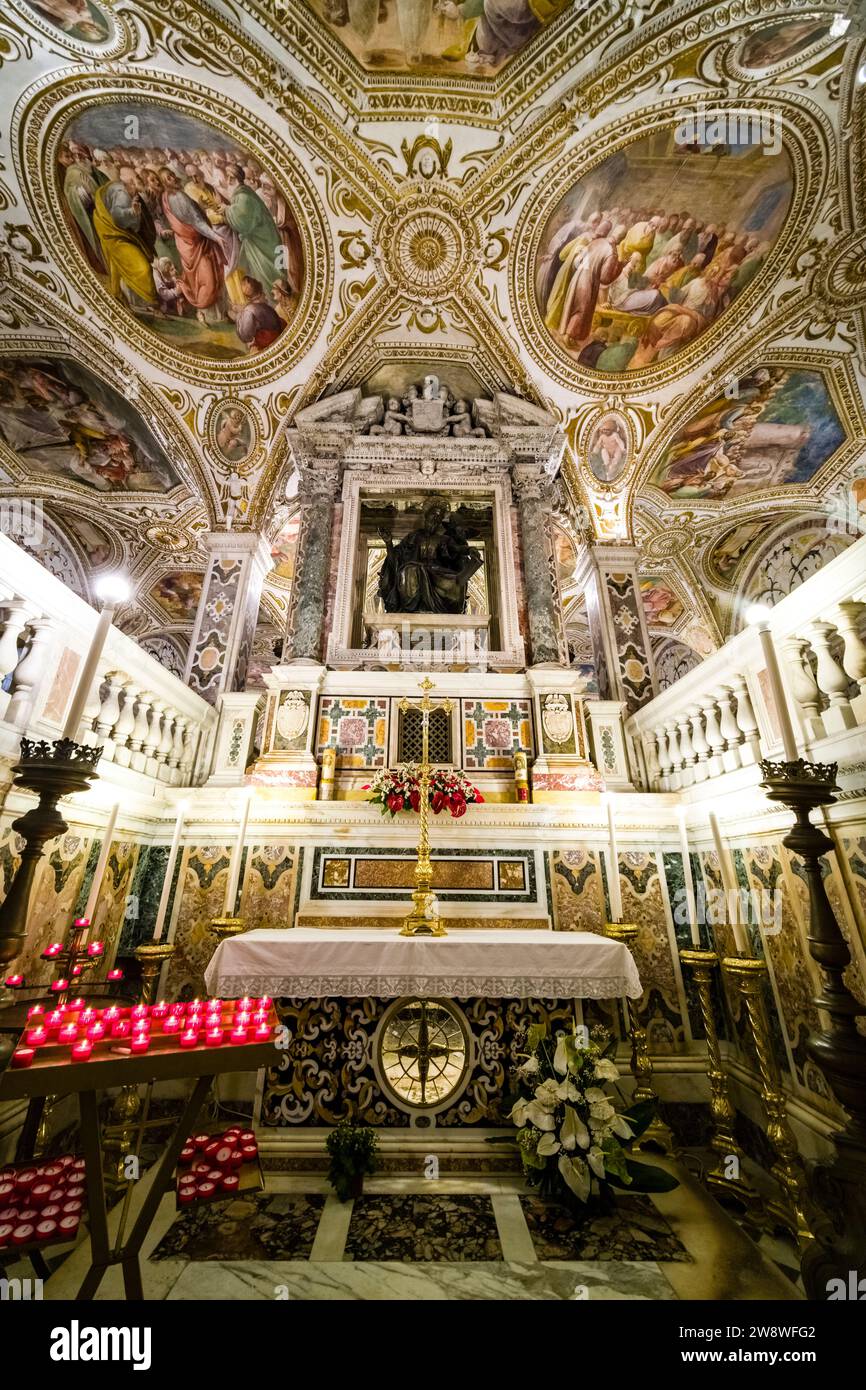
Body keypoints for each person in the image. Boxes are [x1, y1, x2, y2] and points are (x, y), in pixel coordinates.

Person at [158, 167, 228, 324]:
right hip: (194, 243)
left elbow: (190, 217)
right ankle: (206, 313)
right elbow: (196, 222)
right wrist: (216, 237)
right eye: (168, 178)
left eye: (172, 175)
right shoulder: (177, 197)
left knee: (198, 279)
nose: (173, 178)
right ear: (164, 183)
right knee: (207, 278)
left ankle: (214, 314)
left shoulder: (166, 196)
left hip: (185, 242)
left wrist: (200, 207)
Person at [92, 172, 158, 309]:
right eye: (138, 178)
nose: (142, 180)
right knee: (143, 268)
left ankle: (117, 294)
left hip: (119, 231)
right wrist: (132, 212)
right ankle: (151, 303)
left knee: (116, 262)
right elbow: (118, 217)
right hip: (113, 232)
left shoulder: (132, 193)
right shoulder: (123, 194)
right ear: (131, 182)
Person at [232, 275, 284, 353]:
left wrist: (239, 315)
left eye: (245, 284)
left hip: (266, 347)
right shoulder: (267, 307)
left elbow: (245, 336)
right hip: (278, 341)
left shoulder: (249, 310)